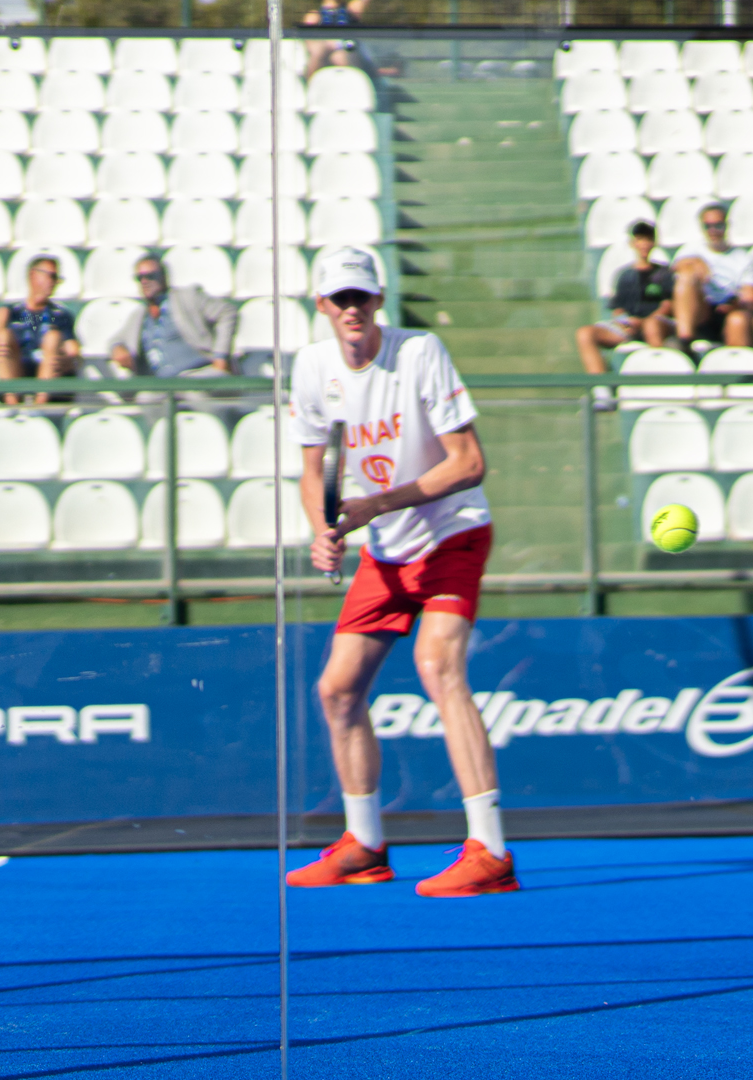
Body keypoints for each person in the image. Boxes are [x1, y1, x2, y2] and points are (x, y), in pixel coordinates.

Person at [284, 246, 516, 898]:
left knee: (438, 665)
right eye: (339, 299)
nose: (351, 309)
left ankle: (490, 850)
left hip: (451, 532)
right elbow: (312, 470)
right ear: (323, 306)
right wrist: (322, 528)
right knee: (337, 689)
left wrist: (372, 506)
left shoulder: (419, 352)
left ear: (378, 301)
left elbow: (468, 463)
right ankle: (363, 843)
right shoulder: (311, 367)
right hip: (386, 548)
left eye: (361, 297)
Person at [577, 220, 674, 406]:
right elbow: (618, 308)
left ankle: (658, 387)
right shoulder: (624, 275)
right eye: (639, 239)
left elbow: (667, 305)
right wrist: (625, 322)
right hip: (630, 327)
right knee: (585, 333)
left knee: (652, 327)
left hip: (655, 324)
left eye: (647, 239)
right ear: (632, 243)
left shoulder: (664, 273)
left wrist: (646, 321)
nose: (643, 244)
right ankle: (602, 391)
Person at [107, 257, 237, 379]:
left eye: (151, 276)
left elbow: (227, 312)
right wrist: (117, 347)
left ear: (164, 277)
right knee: (145, 398)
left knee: (192, 392)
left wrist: (221, 357)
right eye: (140, 278)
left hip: (197, 374)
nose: (145, 282)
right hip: (160, 385)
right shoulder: (139, 315)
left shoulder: (187, 297)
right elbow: (116, 339)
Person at [0, 255, 78, 405]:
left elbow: (73, 353)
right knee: (3, 337)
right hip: (17, 372)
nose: (53, 283)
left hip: (49, 376)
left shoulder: (60, 315)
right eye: (51, 276)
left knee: (53, 338)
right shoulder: (10, 313)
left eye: (56, 278)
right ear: (33, 275)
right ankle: (13, 405)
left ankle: (39, 405)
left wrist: (65, 360)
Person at [671, 201, 753, 352]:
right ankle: (684, 341)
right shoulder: (691, 250)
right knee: (686, 276)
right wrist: (694, 262)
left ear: (726, 225)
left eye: (718, 225)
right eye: (708, 226)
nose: (713, 230)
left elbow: (750, 296)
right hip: (701, 309)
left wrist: (734, 304)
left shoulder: (743, 258)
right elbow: (675, 270)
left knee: (738, 319)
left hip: (728, 309)